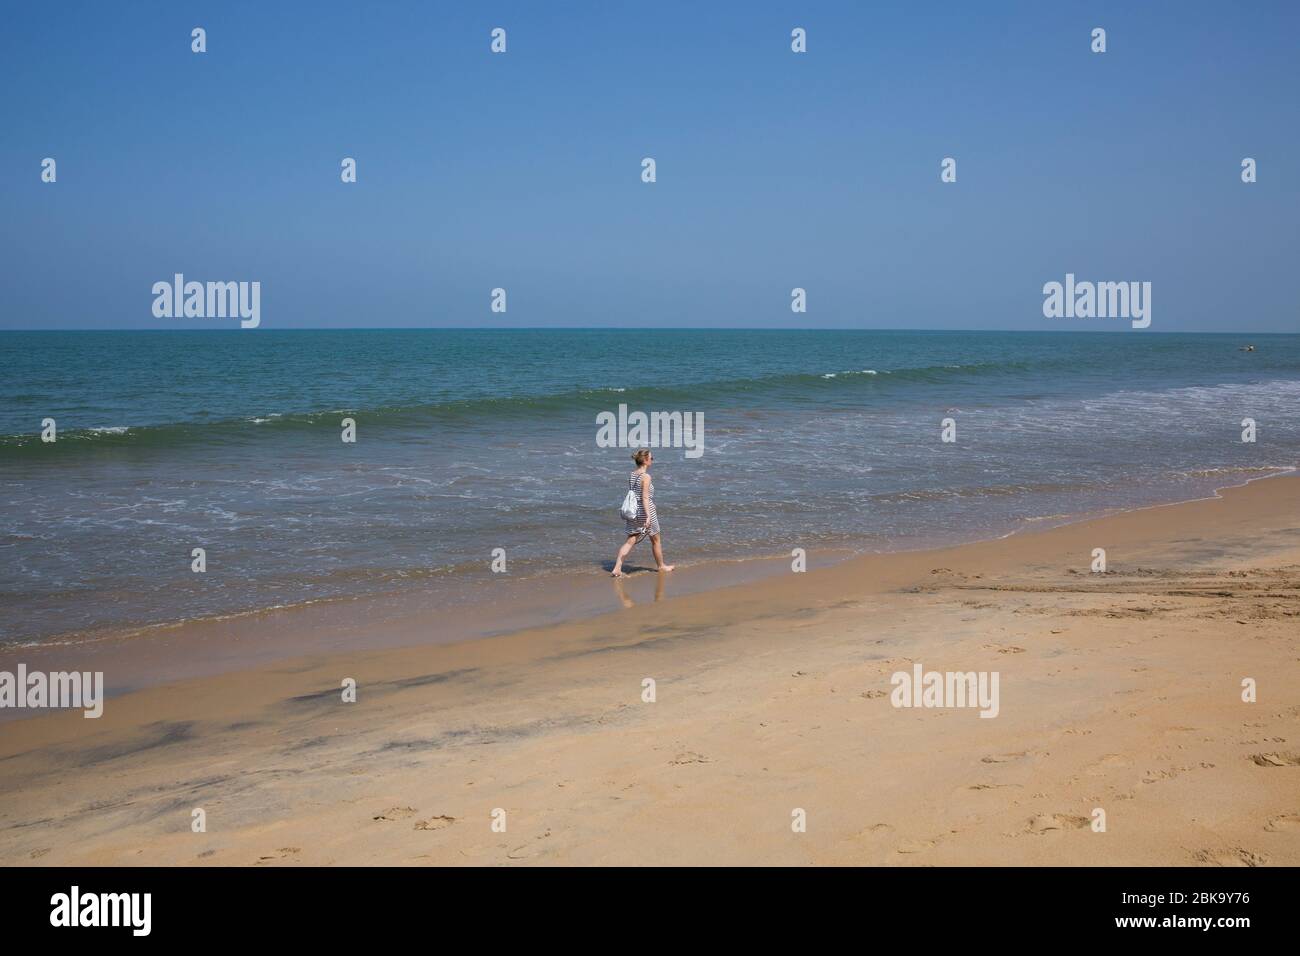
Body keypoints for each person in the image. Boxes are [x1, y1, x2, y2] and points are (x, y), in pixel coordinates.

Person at [610, 448, 674, 577]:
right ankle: (661, 566)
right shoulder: (646, 476)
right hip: (645, 511)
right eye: (651, 458)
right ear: (645, 460)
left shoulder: (632, 475)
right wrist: (649, 515)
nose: (652, 460)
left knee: (631, 540)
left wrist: (650, 503)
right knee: (655, 540)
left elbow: (637, 495)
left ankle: (617, 568)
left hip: (633, 512)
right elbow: (644, 497)